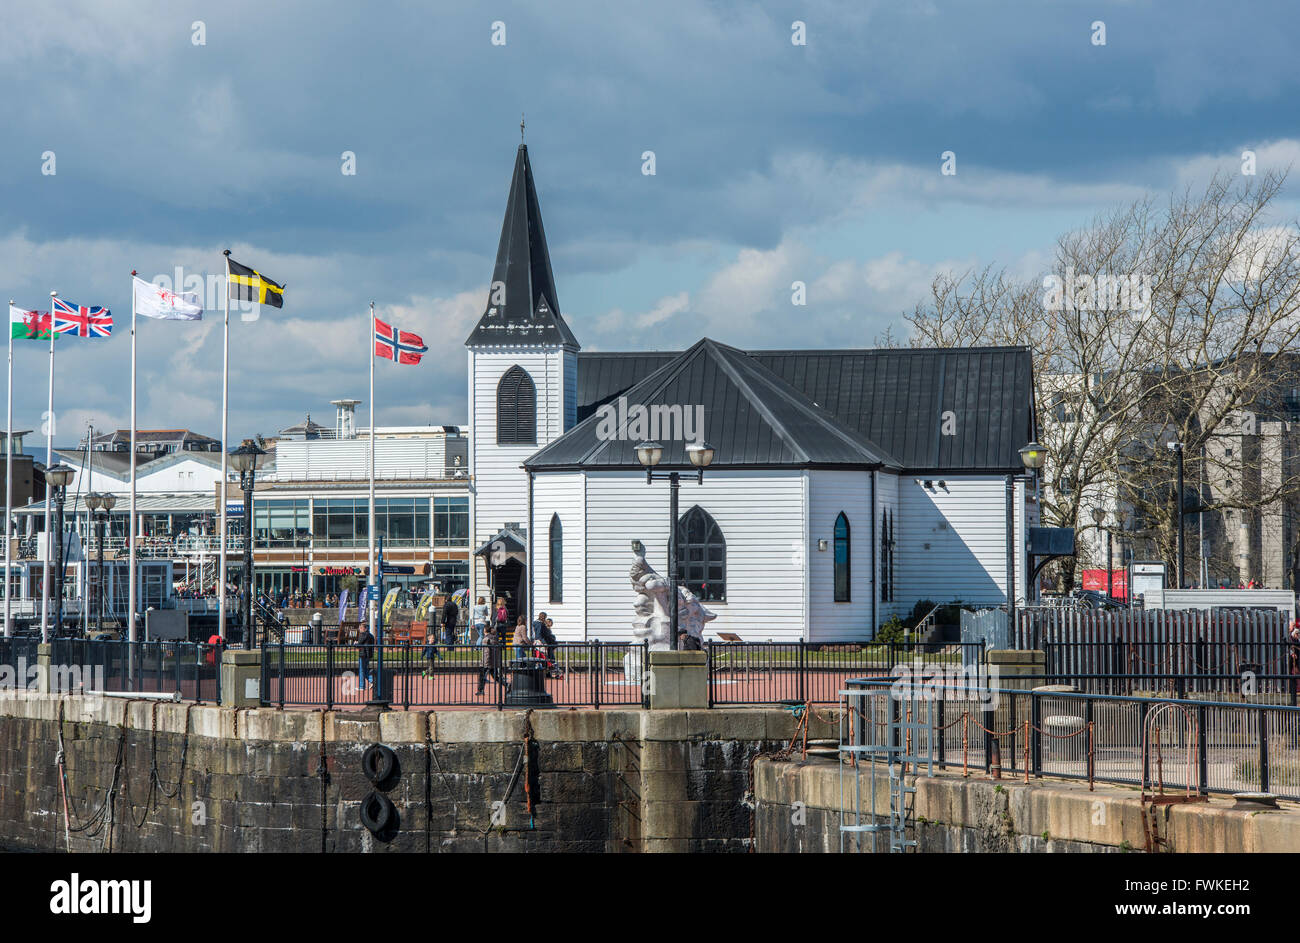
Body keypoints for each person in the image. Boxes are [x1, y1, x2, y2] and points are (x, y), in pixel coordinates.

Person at [476, 619, 502, 695]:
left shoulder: (486, 639)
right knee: (496, 677)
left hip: (486, 662)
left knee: (482, 676)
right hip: (493, 661)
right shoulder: (494, 638)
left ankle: (480, 690)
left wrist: (485, 663)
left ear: (485, 630)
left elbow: (486, 652)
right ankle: (506, 684)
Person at [356, 625, 375, 691]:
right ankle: (372, 680)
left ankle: (362, 686)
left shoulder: (363, 634)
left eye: (361, 628)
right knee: (365, 669)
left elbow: (359, 644)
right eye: (359, 628)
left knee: (362, 670)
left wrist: (355, 644)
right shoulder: (371, 635)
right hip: (368, 654)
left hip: (363, 654)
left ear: (365, 628)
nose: (360, 629)